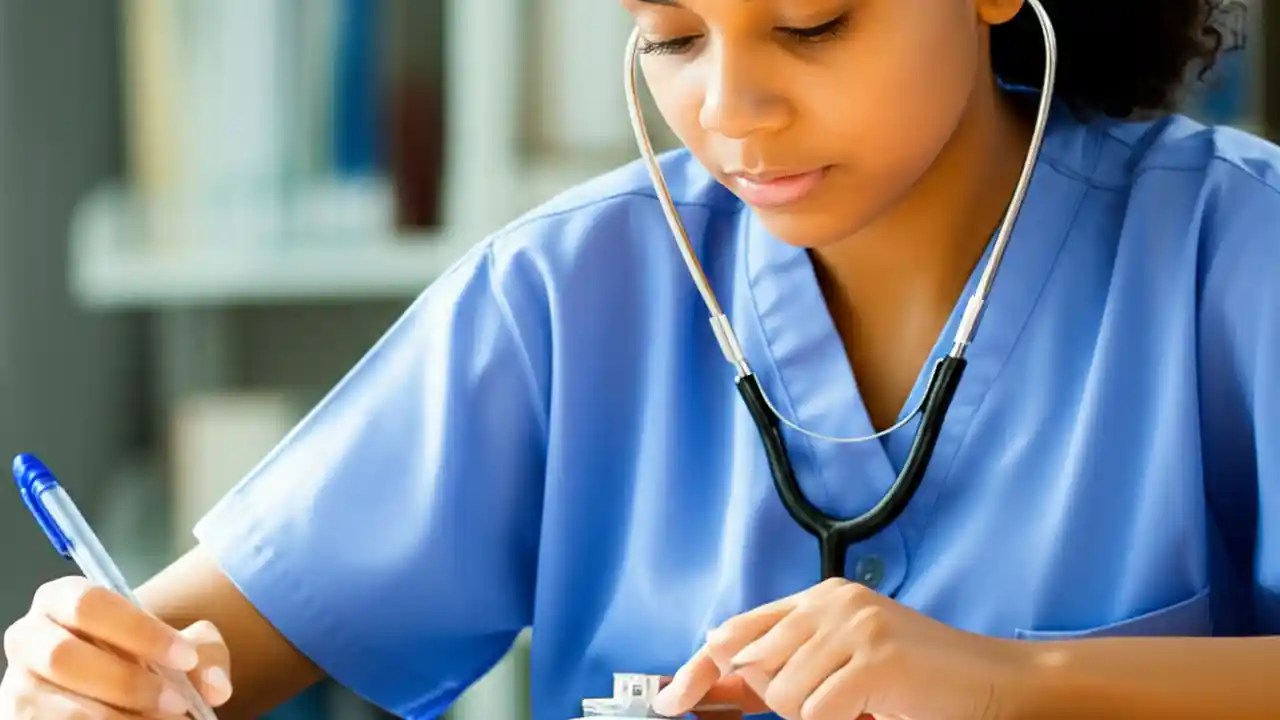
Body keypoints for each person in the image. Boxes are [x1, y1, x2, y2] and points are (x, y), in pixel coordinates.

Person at [5, 0, 1280, 717]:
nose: (729, 109)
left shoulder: (1238, 252)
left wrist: (1021, 684)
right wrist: (84, 679)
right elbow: (183, 651)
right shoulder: (564, 296)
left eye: (811, 22)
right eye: (671, 35)